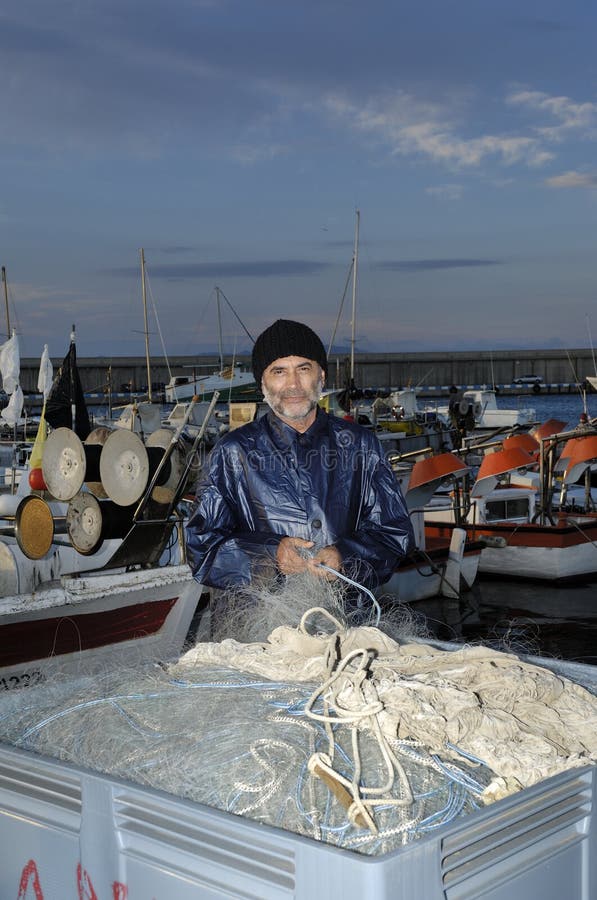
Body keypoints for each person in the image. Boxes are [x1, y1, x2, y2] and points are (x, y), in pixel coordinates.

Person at [185, 318, 415, 592]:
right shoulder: (232, 451)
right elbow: (202, 548)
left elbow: (394, 534)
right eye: (279, 371)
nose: (293, 384)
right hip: (259, 626)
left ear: (322, 376)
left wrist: (346, 554)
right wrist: (271, 554)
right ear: (263, 383)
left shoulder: (361, 445)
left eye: (303, 369)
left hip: (346, 619)